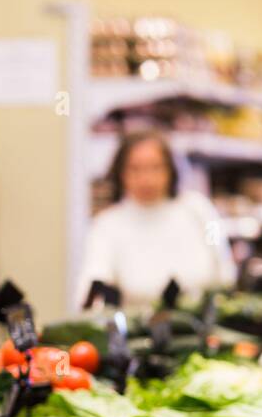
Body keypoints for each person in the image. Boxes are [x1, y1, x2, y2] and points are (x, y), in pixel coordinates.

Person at [77, 132, 235, 309]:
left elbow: (224, 265)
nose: (146, 179)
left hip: (205, 327)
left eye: (155, 167)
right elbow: (94, 279)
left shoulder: (201, 210)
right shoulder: (105, 226)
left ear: (171, 169)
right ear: (120, 173)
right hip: (140, 332)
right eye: (135, 169)